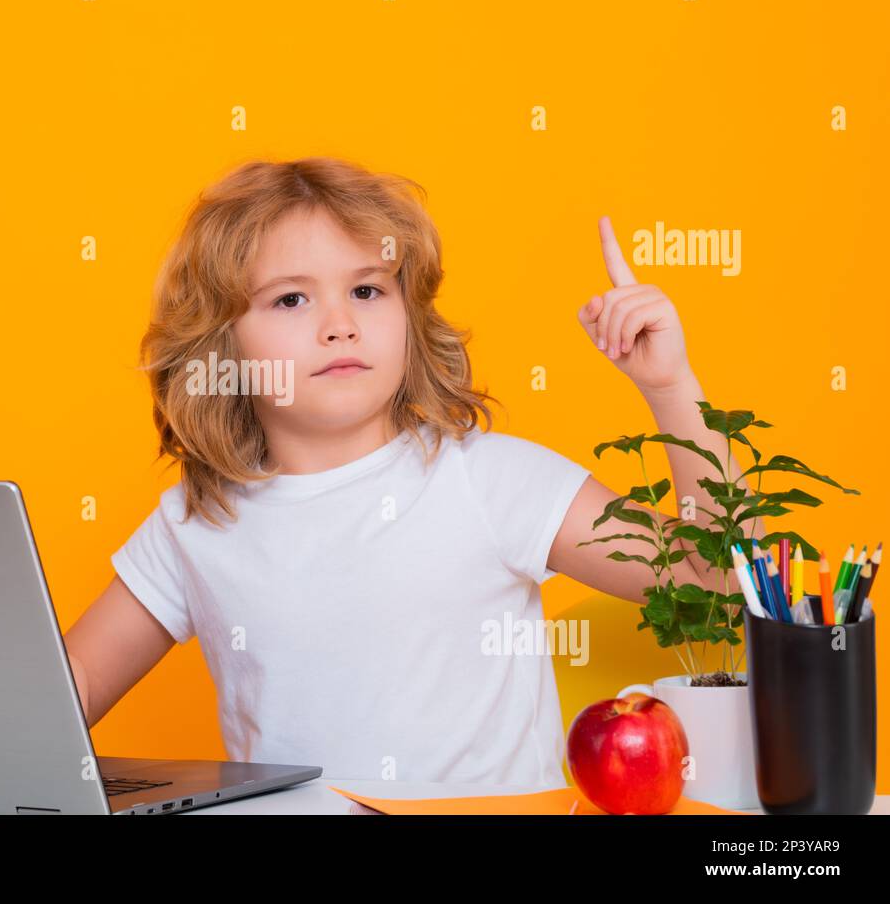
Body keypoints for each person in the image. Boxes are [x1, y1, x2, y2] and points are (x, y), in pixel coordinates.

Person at [63, 156, 752, 788]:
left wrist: (669, 386)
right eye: (291, 300)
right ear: (221, 345)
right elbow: (76, 683)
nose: (340, 324)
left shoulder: (491, 482)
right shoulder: (196, 519)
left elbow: (714, 585)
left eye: (367, 290)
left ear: (409, 321)